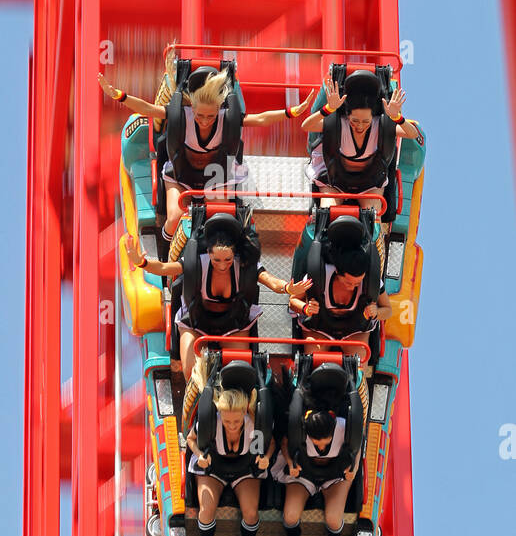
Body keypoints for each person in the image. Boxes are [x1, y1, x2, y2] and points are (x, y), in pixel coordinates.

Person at [99, 53, 314, 243]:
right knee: (174, 217)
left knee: (220, 216)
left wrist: (292, 112)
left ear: (219, 109)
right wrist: (118, 95)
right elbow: (146, 108)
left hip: (216, 176)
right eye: (200, 115)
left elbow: (260, 119)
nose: (204, 121)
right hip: (181, 174)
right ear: (192, 107)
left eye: (210, 116)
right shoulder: (182, 115)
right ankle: (166, 255)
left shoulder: (225, 119)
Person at [124, 224, 310, 381]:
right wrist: (141, 262)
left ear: (235, 254)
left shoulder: (245, 263)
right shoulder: (199, 262)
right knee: (192, 374)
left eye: (228, 259)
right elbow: (165, 268)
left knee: (238, 375)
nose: (222, 265)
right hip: (197, 321)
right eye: (216, 260)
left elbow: (272, 281)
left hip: (233, 322)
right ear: (208, 253)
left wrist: (287, 288)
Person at [186, 360, 274, 536]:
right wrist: (200, 455)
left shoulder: (252, 424)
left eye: (236, 421)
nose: (232, 425)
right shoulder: (212, 422)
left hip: (244, 469)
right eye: (227, 421)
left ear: (244, 412)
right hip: (212, 467)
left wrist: (266, 457)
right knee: (206, 510)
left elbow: (271, 443)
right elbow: (191, 439)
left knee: (251, 514)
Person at [302, 68, 422, 208]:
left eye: (365, 122)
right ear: (348, 117)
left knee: (372, 215)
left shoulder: (380, 126)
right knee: (328, 211)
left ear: (373, 118)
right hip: (335, 179)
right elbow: (307, 125)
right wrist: (328, 108)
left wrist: (397, 118)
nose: (360, 126)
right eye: (355, 121)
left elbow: (412, 134)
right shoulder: (340, 124)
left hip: (369, 182)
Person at [272, 408, 361, 536]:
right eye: (316, 443)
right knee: (290, 516)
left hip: (334, 476)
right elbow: (285, 442)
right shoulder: (300, 429)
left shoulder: (344, 427)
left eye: (324, 443)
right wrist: (289, 462)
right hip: (305, 473)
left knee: (333, 518)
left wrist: (355, 466)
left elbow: (358, 443)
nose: (321, 448)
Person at [288, 236, 391, 350]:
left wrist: (376, 312)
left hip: (355, 331)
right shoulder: (318, 276)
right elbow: (292, 301)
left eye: (357, 284)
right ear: (337, 271)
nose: (352, 288)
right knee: (313, 360)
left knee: (358, 363)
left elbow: (388, 310)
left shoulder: (372, 282)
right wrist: (305, 308)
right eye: (347, 283)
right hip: (319, 327)